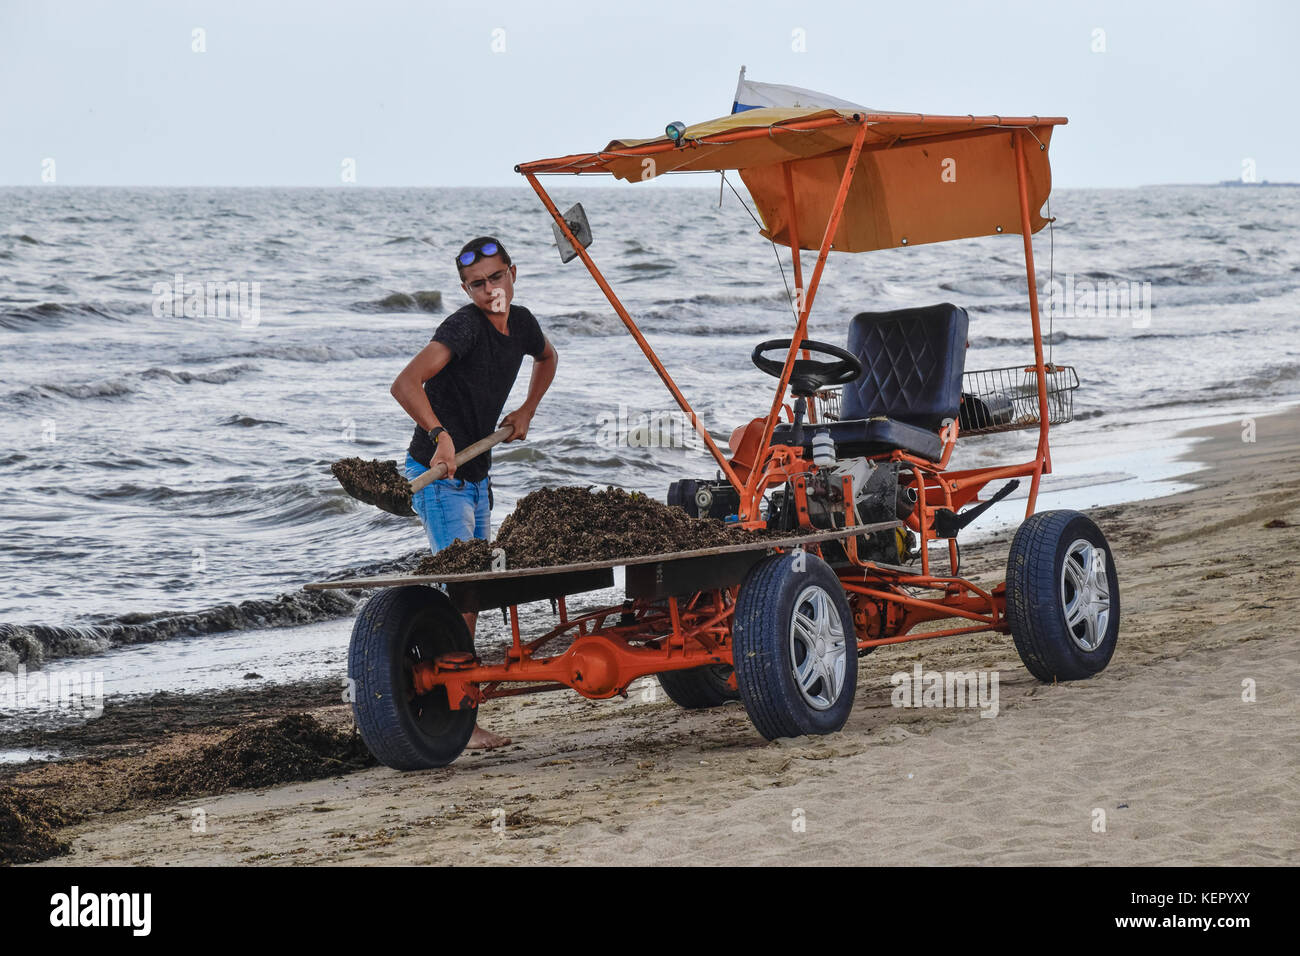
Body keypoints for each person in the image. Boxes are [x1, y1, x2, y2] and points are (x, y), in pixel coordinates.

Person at [390, 236, 558, 751]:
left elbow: (547, 358)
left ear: (514, 273)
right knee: (461, 594)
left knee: (470, 594)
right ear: (466, 289)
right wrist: (440, 435)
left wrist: (526, 410)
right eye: (477, 284)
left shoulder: (522, 322)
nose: (490, 291)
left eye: (496, 277)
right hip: (439, 476)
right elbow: (405, 383)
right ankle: (454, 717)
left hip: (478, 475)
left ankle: (457, 709)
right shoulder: (463, 326)